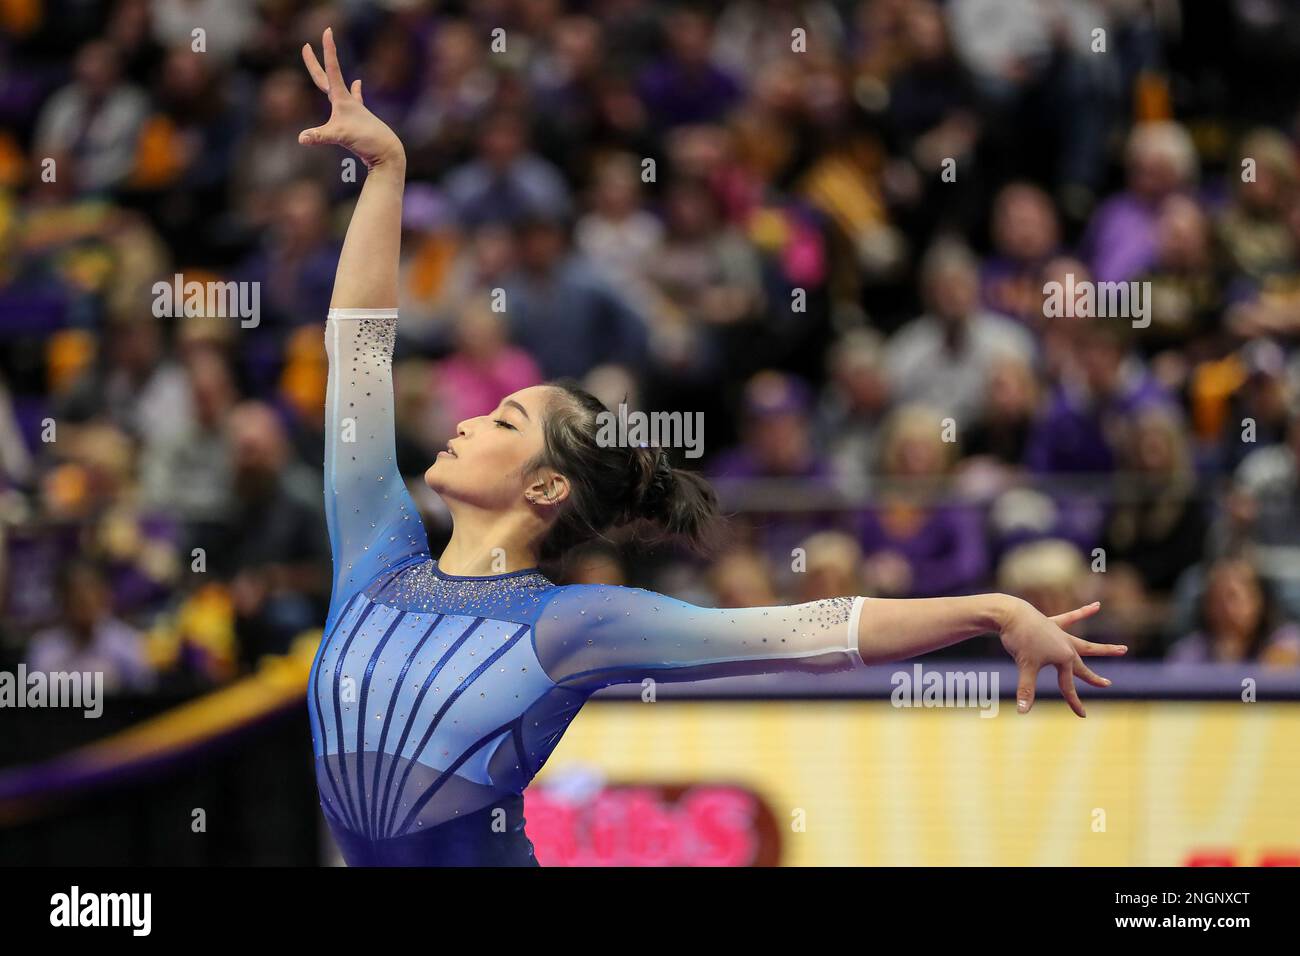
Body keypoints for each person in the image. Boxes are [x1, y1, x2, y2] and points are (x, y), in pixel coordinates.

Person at [296, 28, 1126, 867]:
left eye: (506, 422)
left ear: (546, 489)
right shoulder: (376, 554)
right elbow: (359, 353)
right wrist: (388, 174)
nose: (470, 421)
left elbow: (802, 632)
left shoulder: (570, 624)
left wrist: (996, 610)